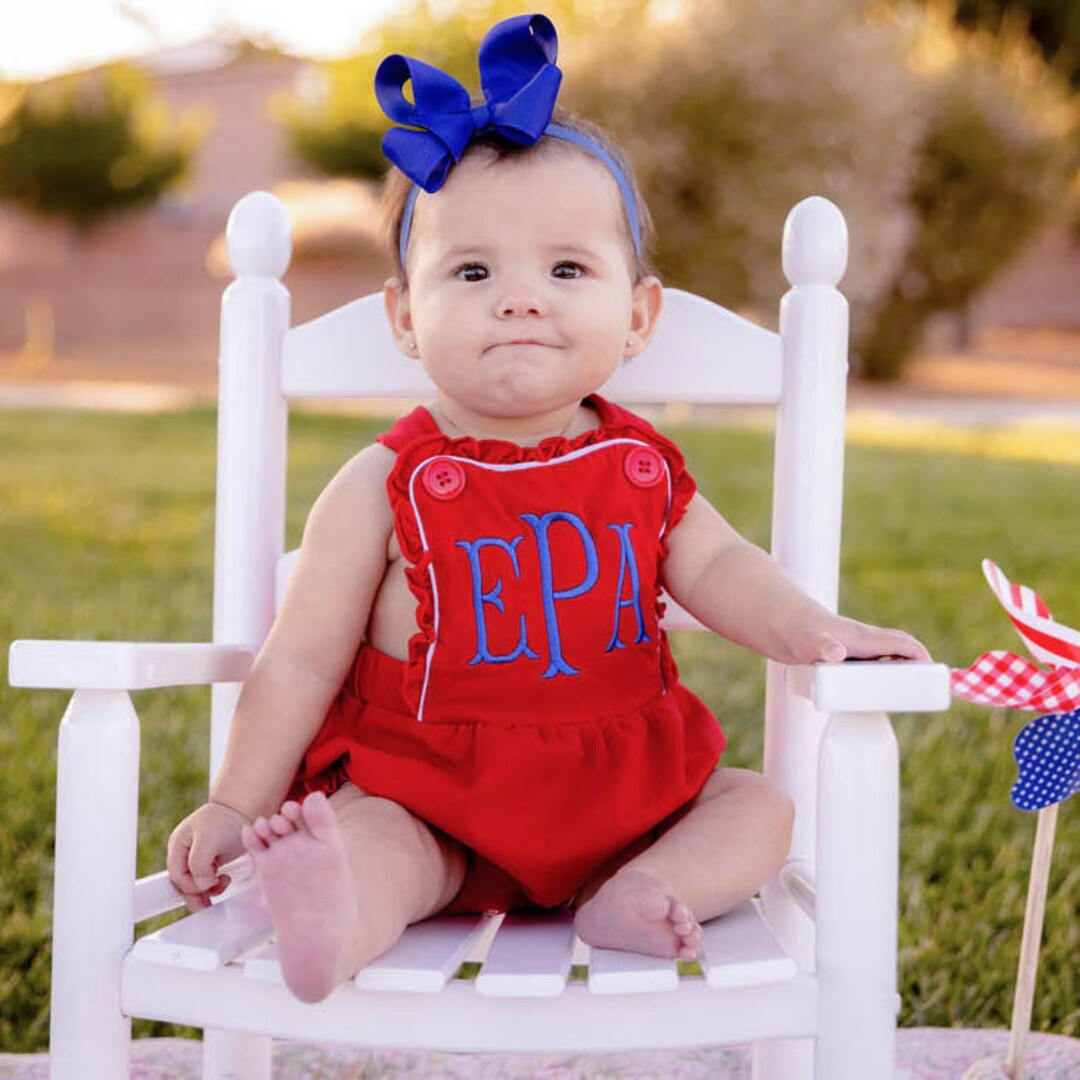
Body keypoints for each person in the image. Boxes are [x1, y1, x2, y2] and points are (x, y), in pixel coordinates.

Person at [166, 13, 931, 1005]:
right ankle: (333, 925)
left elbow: (722, 570)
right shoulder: (378, 482)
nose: (521, 300)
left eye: (567, 270)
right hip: (430, 796)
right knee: (374, 842)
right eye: (472, 272)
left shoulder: (643, 467)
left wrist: (817, 631)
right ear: (407, 316)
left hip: (627, 800)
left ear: (638, 314)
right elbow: (303, 657)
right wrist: (237, 799)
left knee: (759, 808)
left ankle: (643, 892)